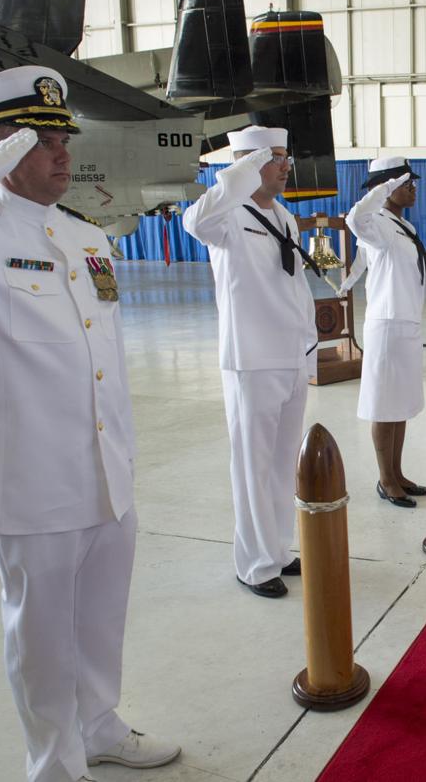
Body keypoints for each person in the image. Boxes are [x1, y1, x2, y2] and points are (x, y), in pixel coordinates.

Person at [0, 66, 179, 782]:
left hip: (104, 472)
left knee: (99, 619)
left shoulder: (85, 236)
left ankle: (99, 728)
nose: (62, 154)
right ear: (0, 148)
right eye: (41, 142)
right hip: (27, 479)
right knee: (42, 634)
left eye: (62, 139)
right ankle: (54, 765)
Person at [181, 126, 317, 599]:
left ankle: (276, 548)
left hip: (289, 356)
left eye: (285, 156)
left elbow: (296, 288)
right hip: (251, 358)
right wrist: (239, 172)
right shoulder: (225, 216)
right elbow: (193, 221)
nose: (285, 166)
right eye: (274, 157)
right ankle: (254, 564)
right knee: (252, 466)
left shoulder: (284, 216)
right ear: (247, 163)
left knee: (281, 464)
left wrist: (309, 349)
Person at [341, 158, 426, 507]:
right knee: (383, 404)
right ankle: (385, 479)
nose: (414, 189)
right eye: (407, 183)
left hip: (406, 322)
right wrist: (382, 191)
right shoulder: (375, 222)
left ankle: (398, 472)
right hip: (387, 325)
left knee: (401, 403)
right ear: (387, 187)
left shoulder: (400, 224)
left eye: (413, 183)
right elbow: (354, 219)